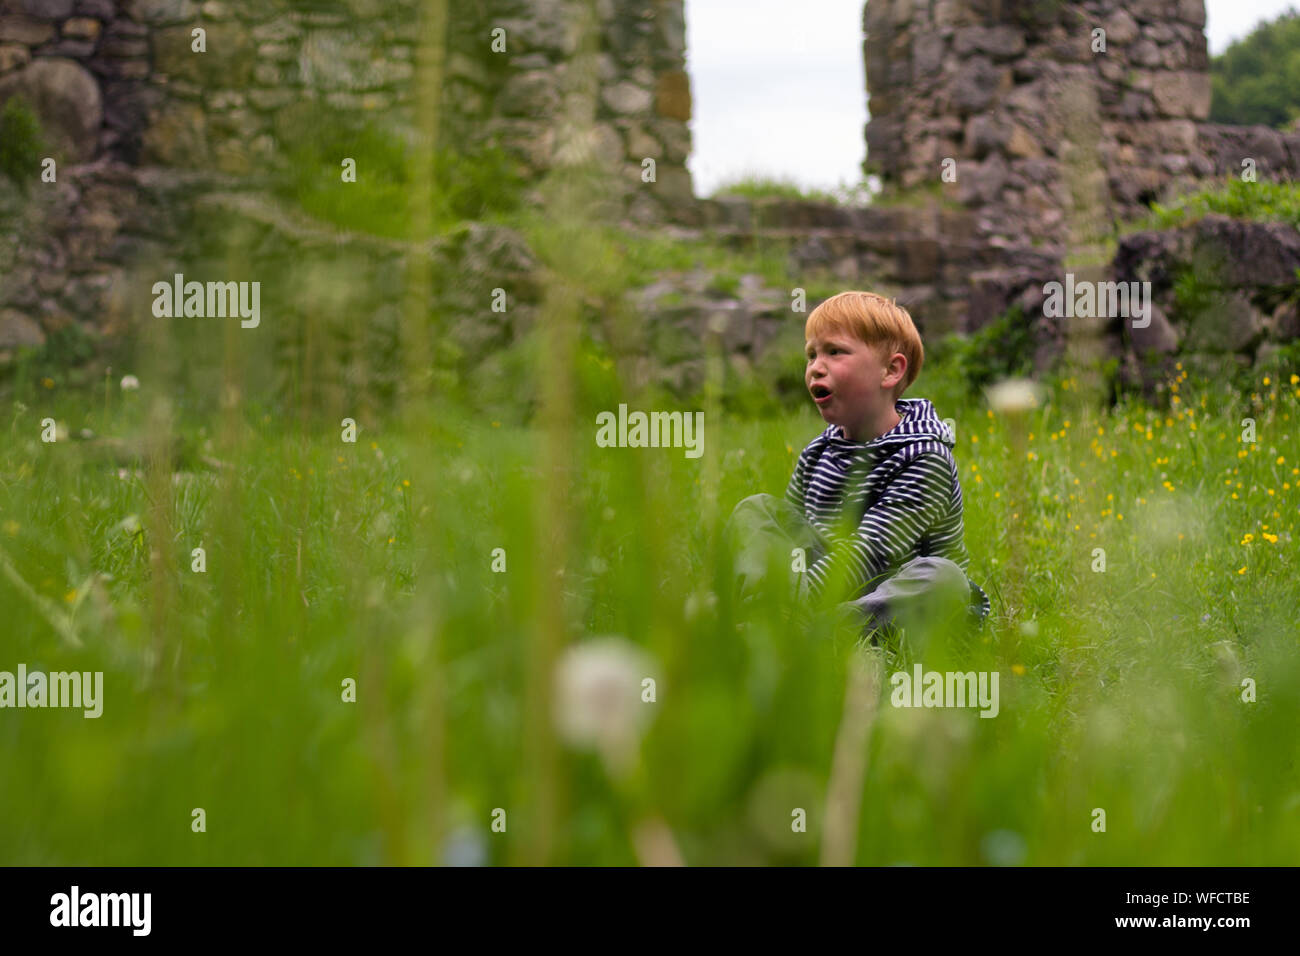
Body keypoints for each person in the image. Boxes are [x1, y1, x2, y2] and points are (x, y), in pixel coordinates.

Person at [725, 291, 990, 644]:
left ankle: (802, 631)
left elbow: (871, 554)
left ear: (891, 370)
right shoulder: (818, 452)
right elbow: (788, 543)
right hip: (816, 590)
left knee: (944, 579)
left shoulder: (925, 458)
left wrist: (796, 607)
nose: (816, 366)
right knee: (756, 510)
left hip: (891, 595)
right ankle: (766, 616)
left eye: (835, 352)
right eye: (811, 355)